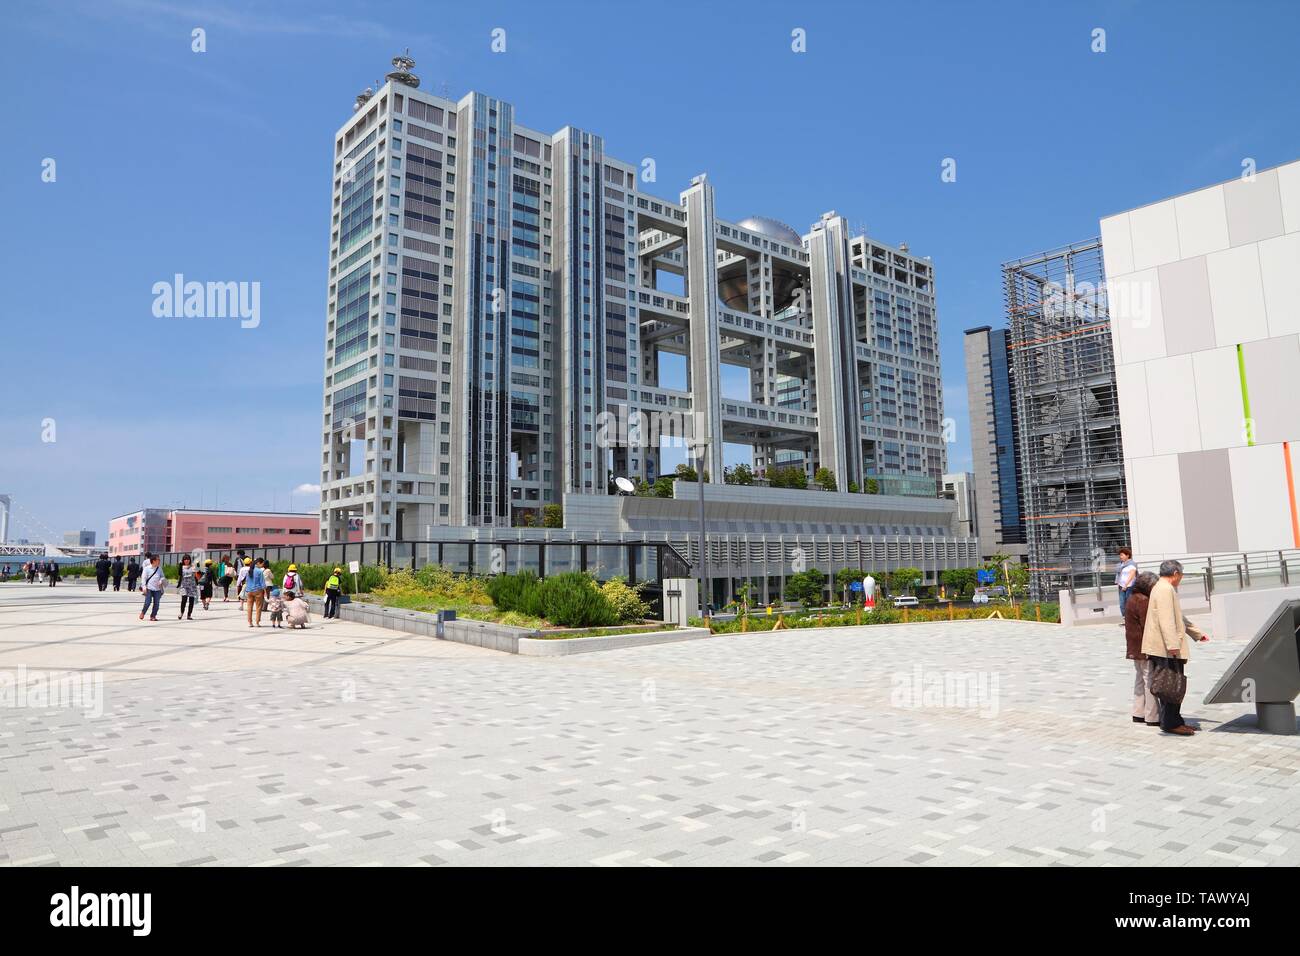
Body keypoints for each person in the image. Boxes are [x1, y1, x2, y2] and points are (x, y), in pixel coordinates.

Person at [1142, 559, 1211, 736]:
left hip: (1162, 646)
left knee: (1171, 685)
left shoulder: (1161, 587)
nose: (1180, 579)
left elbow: (1178, 617)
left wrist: (1196, 633)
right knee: (1172, 686)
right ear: (1175, 574)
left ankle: (1173, 720)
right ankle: (1171, 723)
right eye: (1181, 575)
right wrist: (1173, 645)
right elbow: (1167, 620)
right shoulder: (1165, 589)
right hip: (1166, 647)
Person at [1124, 571, 1160, 727]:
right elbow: (1148, 625)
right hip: (1144, 646)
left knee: (1140, 679)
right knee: (1149, 680)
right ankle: (1153, 716)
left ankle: (1138, 712)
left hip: (1133, 645)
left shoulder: (1132, 598)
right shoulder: (1143, 600)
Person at [138, 555, 165, 621]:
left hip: (157, 589)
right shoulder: (147, 568)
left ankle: (153, 616)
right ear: (153, 561)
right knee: (147, 602)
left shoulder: (159, 568)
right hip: (149, 588)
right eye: (158, 560)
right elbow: (143, 579)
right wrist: (144, 587)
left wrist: (161, 580)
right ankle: (143, 612)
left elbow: (162, 576)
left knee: (156, 604)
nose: (159, 561)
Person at [1115, 547, 1137, 619]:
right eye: (1120, 555)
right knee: (1122, 603)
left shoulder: (1132, 564)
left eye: (1122, 555)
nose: (1120, 557)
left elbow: (1132, 575)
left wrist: (1126, 585)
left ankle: (1131, 618)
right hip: (1121, 586)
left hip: (1129, 586)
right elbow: (1119, 575)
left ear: (1127, 555)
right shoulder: (1120, 565)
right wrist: (1118, 583)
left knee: (1129, 602)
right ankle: (1125, 618)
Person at [243, 557, 266, 628]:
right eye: (262, 564)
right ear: (259, 563)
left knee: (249, 607)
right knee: (258, 607)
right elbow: (262, 583)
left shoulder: (249, 570)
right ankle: (257, 622)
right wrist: (265, 591)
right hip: (258, 591)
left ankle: (250, 622)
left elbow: (246, 581)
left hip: (249, 591)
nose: (262, 565)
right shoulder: (259, 571)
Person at [176, 554, 199, 620]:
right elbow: (180, 574)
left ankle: (189, 614)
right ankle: (181, 613)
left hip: (192, 585)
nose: (186, 560)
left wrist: (197, 565)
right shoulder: (181, 567)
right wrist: (180, 565)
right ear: (183, 560)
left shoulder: (192, 567)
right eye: (185, 559)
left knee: (191, 601)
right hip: (184, 586)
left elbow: (197, 573)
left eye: (188, 559)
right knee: (184, 599)